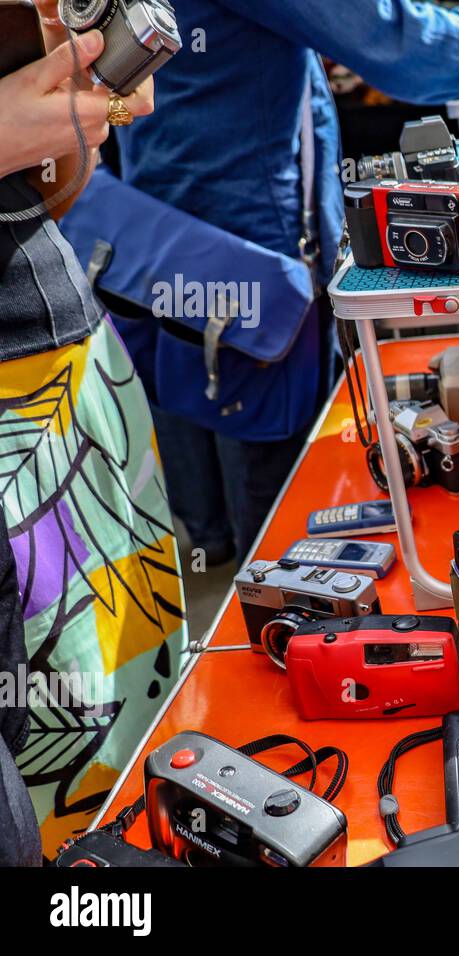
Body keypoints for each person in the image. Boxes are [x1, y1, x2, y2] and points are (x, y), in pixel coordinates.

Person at [112, 2, 459, 564]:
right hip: (257, 274)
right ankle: (270, 603)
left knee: (199, 446)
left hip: (155, 246)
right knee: (281, 514)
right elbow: (401, 44)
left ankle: (218, 557)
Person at [0, 14, 185, 858]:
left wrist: (97, 88)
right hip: (34, 380)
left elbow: (124, 83)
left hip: (58, 350)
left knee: (113, 720)